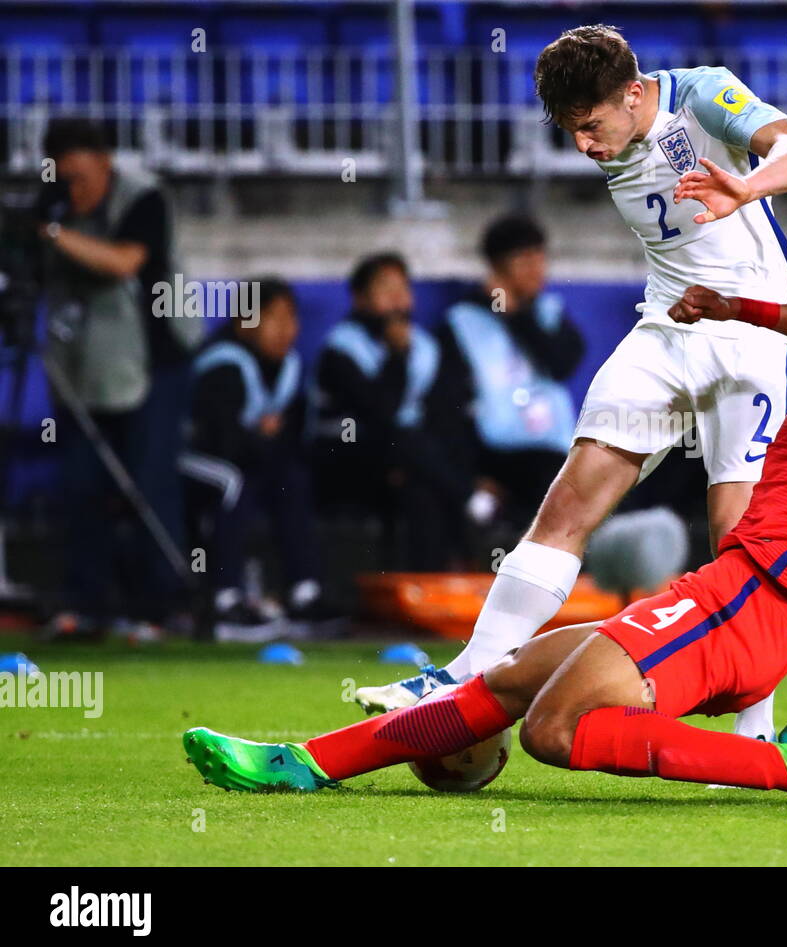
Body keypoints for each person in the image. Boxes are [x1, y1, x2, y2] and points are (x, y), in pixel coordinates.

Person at [182, 128, 787, 806]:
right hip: (731, 597)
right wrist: (735, 310)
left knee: (555, 730)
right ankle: (300, 765)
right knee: (508, 676)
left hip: (748, 606)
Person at [358, 24, 787, 744]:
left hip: (755, 339)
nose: (583, 145)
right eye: (570, 130)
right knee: (568, 502)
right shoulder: (609, 124)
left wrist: (748, 186)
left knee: (739, 541)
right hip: (667, 329)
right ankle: (468, 674)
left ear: (634, 94)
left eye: (592, 126)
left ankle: (754, 727)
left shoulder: (702, 96)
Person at [37, 118, 203, 638]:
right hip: (82, 368)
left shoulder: (144, 197)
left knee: (150, 483)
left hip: (156, 360)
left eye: (83, 178)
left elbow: (124, 262)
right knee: (81, 484)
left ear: (105, 163)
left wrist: (55, 233)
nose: (74, 190)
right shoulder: (49, 201)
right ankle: (87, 605)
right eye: (65, 179)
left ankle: (161, 608)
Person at [180, 278, 344, 642]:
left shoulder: (289, 366)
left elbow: (291, 437)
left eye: (291, 318)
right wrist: (260, 436)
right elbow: (222, 441)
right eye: (273, 317)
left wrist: (263, 439)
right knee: (233, 481)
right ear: (244, 322)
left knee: (293, 478)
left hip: (246, 458)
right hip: (189, 459)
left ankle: (304, 591)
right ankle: (225, 597)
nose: (286, 329)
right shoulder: (222, 363)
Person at [310, 252, 476, 571]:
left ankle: (431, 586)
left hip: (411, 461)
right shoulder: (340, 349)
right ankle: (468, 497)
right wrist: (397, 357)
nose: (399, 301)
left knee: (423, 485)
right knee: (407, 443)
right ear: (360, 299)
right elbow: (379, 413)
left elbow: (444, 416)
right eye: (386, 290)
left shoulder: (426, 348)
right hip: (348, 456)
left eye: (403, 290)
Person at [441, 213, 585, 538]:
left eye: (541, 258)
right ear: (497, 266)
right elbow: (449, 406)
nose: (538, 269)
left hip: (549, 450)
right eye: (525, 259)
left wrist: (517, 314)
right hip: (492, 453)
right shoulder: (461, 322)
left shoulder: (548, 313)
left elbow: (562, 363)